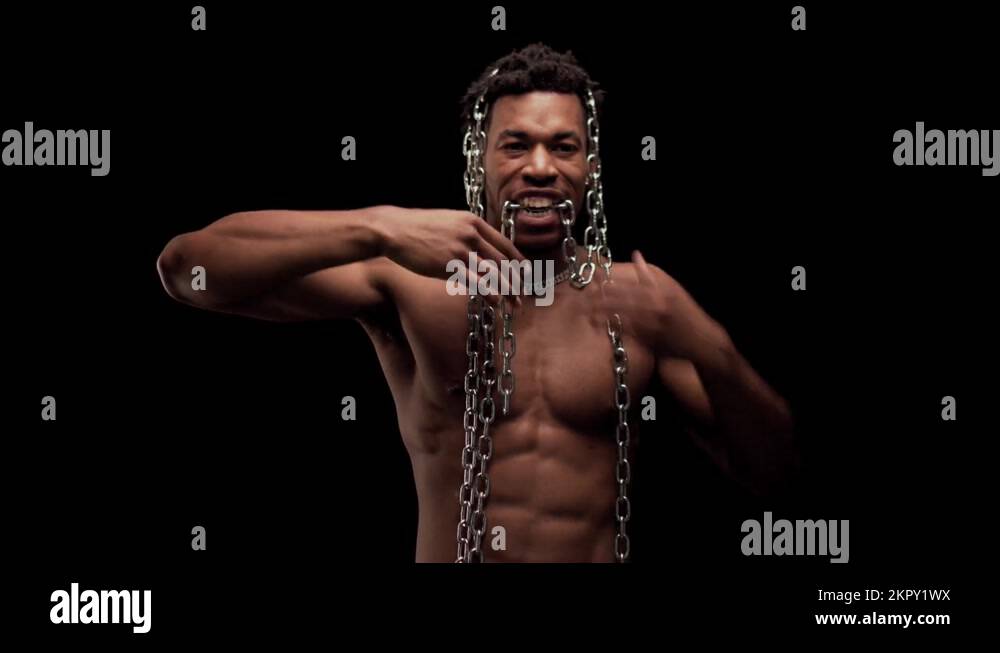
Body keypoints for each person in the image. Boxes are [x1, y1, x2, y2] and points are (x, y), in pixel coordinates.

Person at [156, 43, 796, 563]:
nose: (541, 167)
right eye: (516, 145)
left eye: (564, 146)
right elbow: (188, 268)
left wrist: (708, 343)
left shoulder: (641, 300)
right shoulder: (408, 277)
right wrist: (379, 226)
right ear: (479, 157)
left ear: (591, 166)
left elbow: (774, 473)